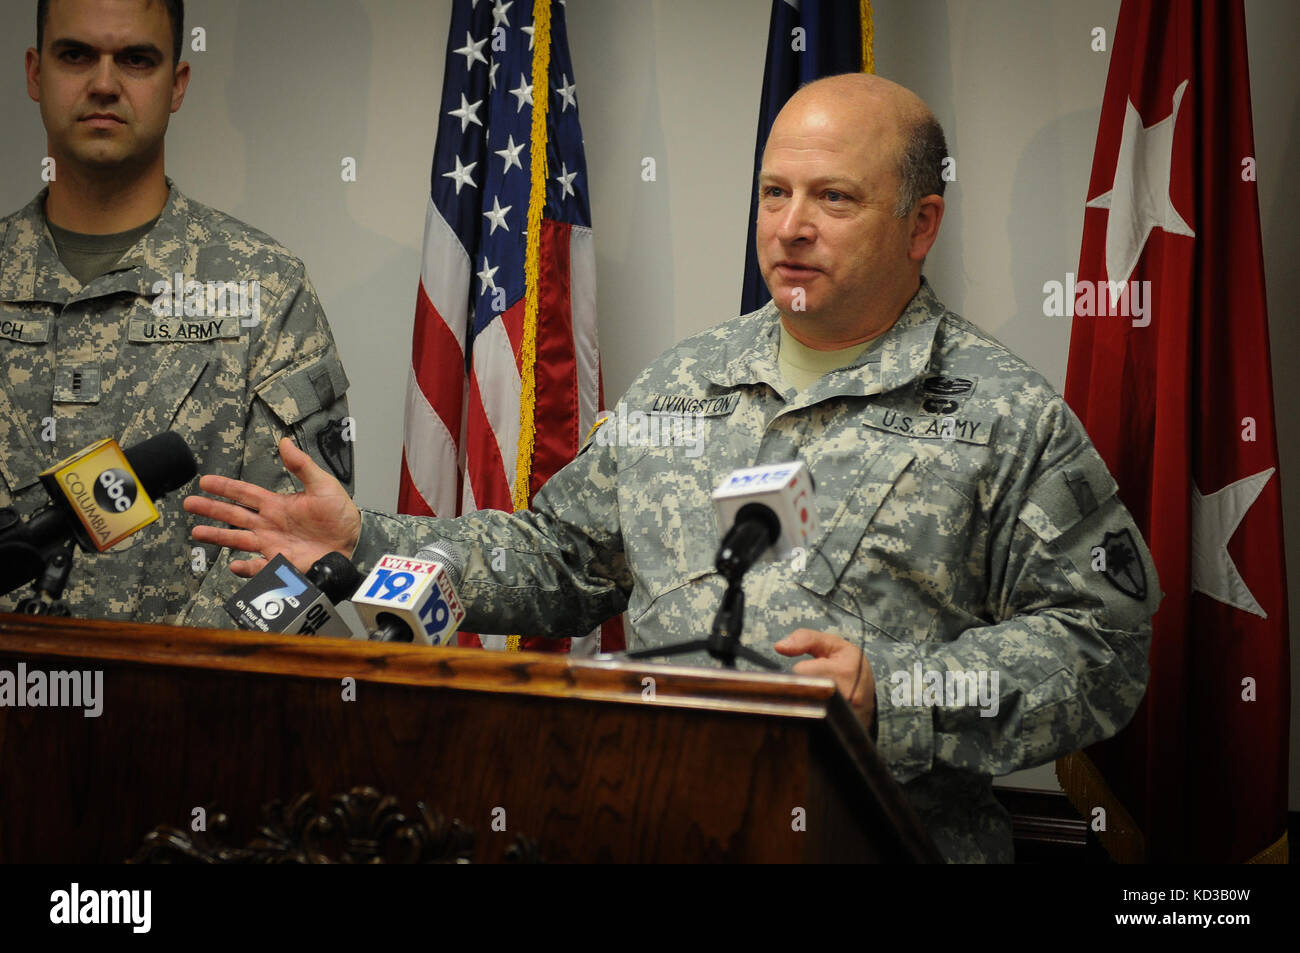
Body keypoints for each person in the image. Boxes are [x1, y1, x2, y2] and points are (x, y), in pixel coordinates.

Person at [184, 73, 1161, 863]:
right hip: (647, 827)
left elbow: (1104, 647)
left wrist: (892, 691)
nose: (790, 224)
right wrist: (366, 541)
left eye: (834, 197)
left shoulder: (1001, 412)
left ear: (920, 224)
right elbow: (558, 558)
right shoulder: (683, 384)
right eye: (775, 192)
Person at [0, 0, 354, 625]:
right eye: (76, 55)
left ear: (176, 86)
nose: (104, 83)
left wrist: (170, 694)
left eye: (136, 59)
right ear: (35, 73)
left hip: (193, 709)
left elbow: (301, 563)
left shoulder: (263, 288)